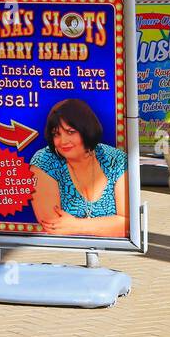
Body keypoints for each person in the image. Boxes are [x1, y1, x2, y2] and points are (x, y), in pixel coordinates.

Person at [30, 97, 129, 236]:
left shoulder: (116, 159)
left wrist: (77, 226)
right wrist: (109, 225)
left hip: (112, 253)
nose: (63, 141)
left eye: (70, 132)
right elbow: (52, 225)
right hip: (63, 252)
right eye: (56, 134)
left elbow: (128, 224)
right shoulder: (44, 161)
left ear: (86, 130)